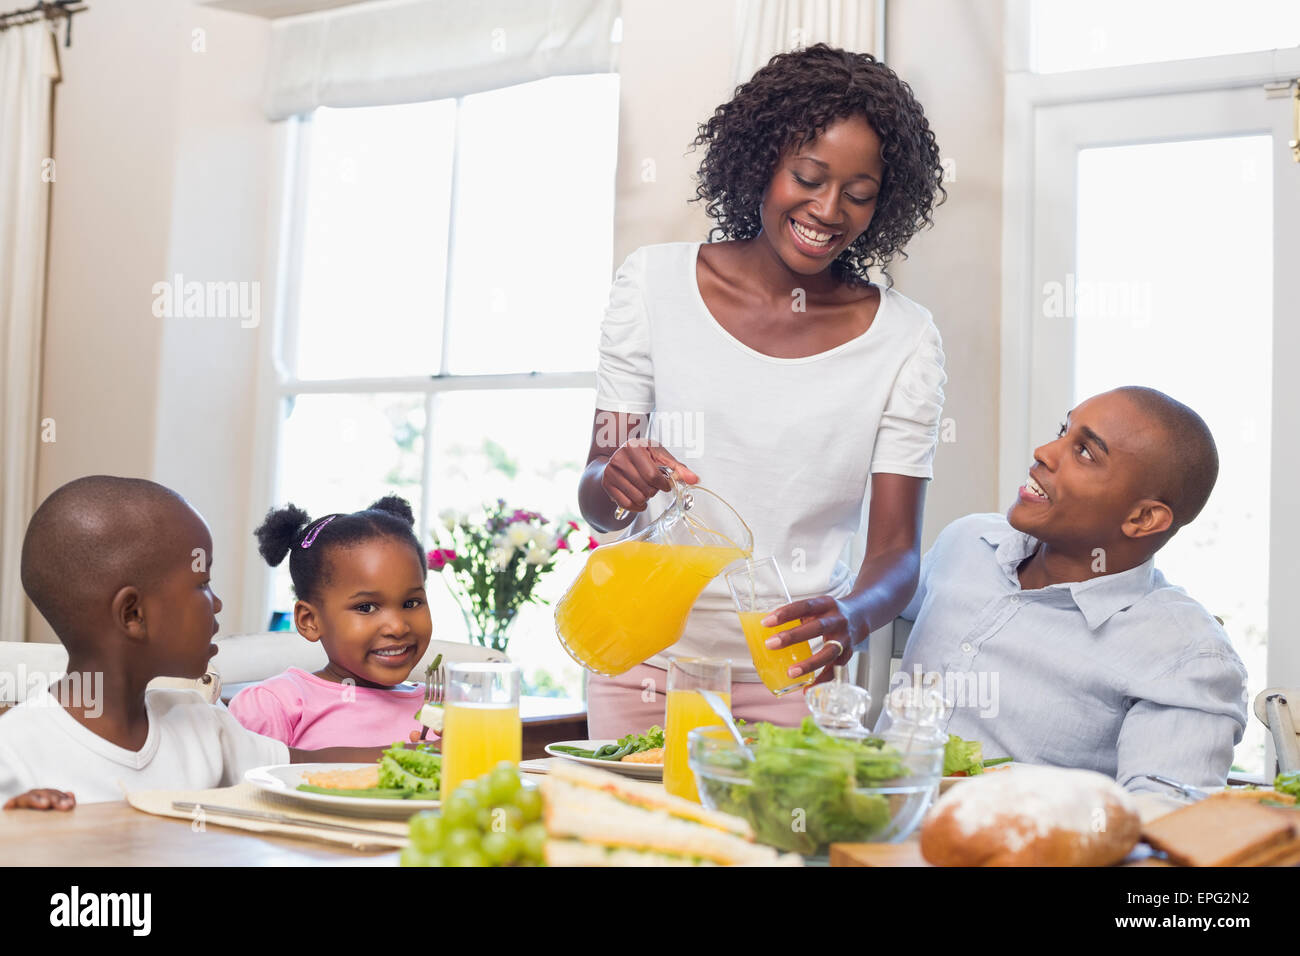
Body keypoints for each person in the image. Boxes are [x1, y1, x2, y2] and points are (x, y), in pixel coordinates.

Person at [577, 44, 948, 736]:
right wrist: (616, 477)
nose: (828, 210)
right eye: (807, 177)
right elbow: (598, 503)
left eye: (858, 194)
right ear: (760, 162)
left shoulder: (906, 342)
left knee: (779, 847)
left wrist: (854, 615)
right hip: (640, 665)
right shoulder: (652, 287)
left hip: (790, 678)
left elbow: (897, 556)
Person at [887, 387, 1248, 791]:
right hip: (863, 836)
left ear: (1143, 518)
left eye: (1085, 452)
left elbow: (1160, 821)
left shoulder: (1186, 655)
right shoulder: (967, 543)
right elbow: (871, 621)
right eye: (1063, 430)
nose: (1044, 450)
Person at [1, 476, 404, 811]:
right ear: (133, 615)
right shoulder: (13, 749)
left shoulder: (200, 721)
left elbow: (305, 766)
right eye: (202, 583)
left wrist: (428, 756)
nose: (217, 602)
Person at [227, 497, 435, 749]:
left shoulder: (448, 709)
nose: (398, 627)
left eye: (411, 603)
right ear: (310, 621)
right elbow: (248, 786)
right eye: (366, 607)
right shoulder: (276, 706)